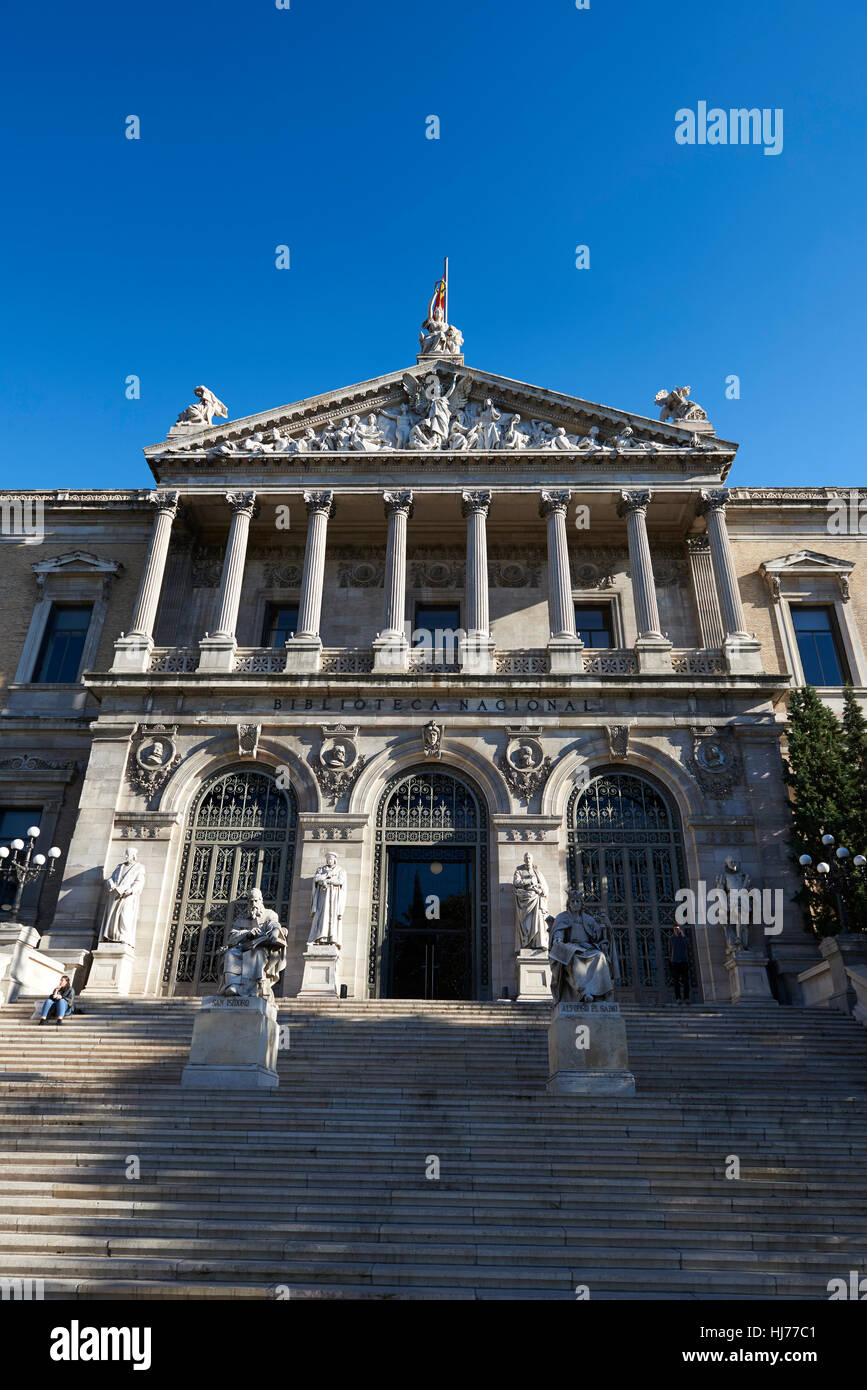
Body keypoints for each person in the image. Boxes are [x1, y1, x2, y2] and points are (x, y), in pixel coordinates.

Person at [669, 924, 690, 1005]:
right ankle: (678, 998)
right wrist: (670, 961)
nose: (676, 930)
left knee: (685, 981)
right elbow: (670, 950)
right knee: (676, 982)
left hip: (684, 961)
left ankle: (686, 997)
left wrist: (683, 936)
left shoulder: (684, 938)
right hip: (675, 962)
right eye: (675, 929)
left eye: (678, 929)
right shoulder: (671, 938)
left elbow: (688, 945)